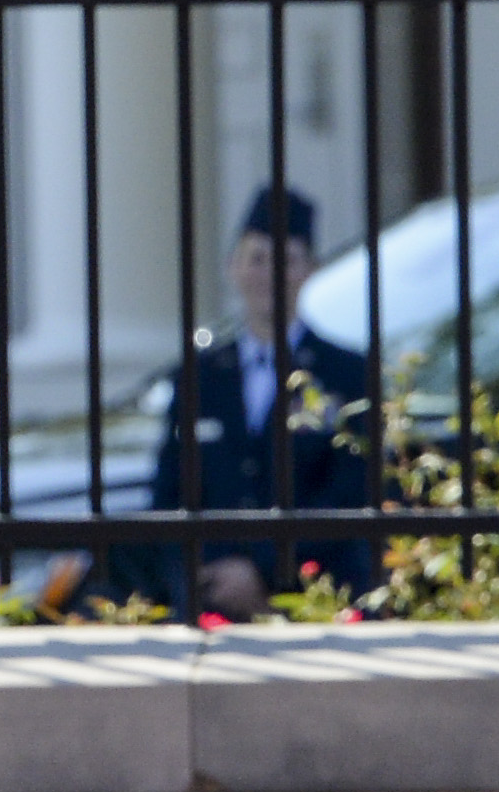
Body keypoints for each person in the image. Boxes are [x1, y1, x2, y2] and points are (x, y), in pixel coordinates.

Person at [131, 186, 374, 619]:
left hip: (313, 597)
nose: (269, 274)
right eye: (256, 259)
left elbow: (353, 491)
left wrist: (260, 570)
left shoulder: (348, 374)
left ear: (310, 270)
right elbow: (169, 491)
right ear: (233, 268)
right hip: (207, 597)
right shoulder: (199, 375)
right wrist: (211, 572)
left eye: (285, 260)